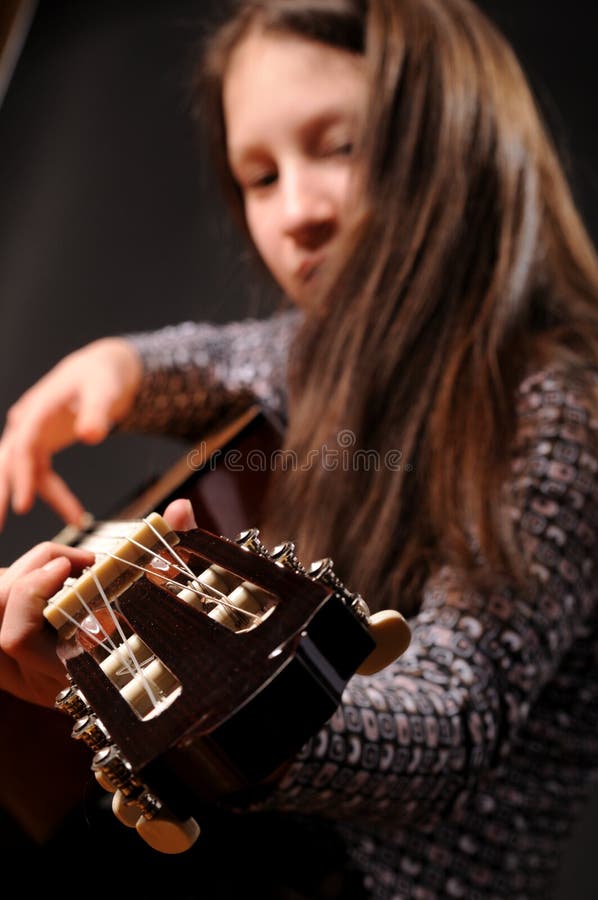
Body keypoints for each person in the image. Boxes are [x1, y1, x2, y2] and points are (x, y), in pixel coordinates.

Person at [0, 0, 597, 896]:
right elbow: (237, 358)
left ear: (456, 129)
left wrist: (185, 700)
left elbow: (451, 720)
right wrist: (114, 367)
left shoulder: (563, 408)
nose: (297, 215)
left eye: (340, 146)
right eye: (260, 175)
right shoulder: (325, 345)